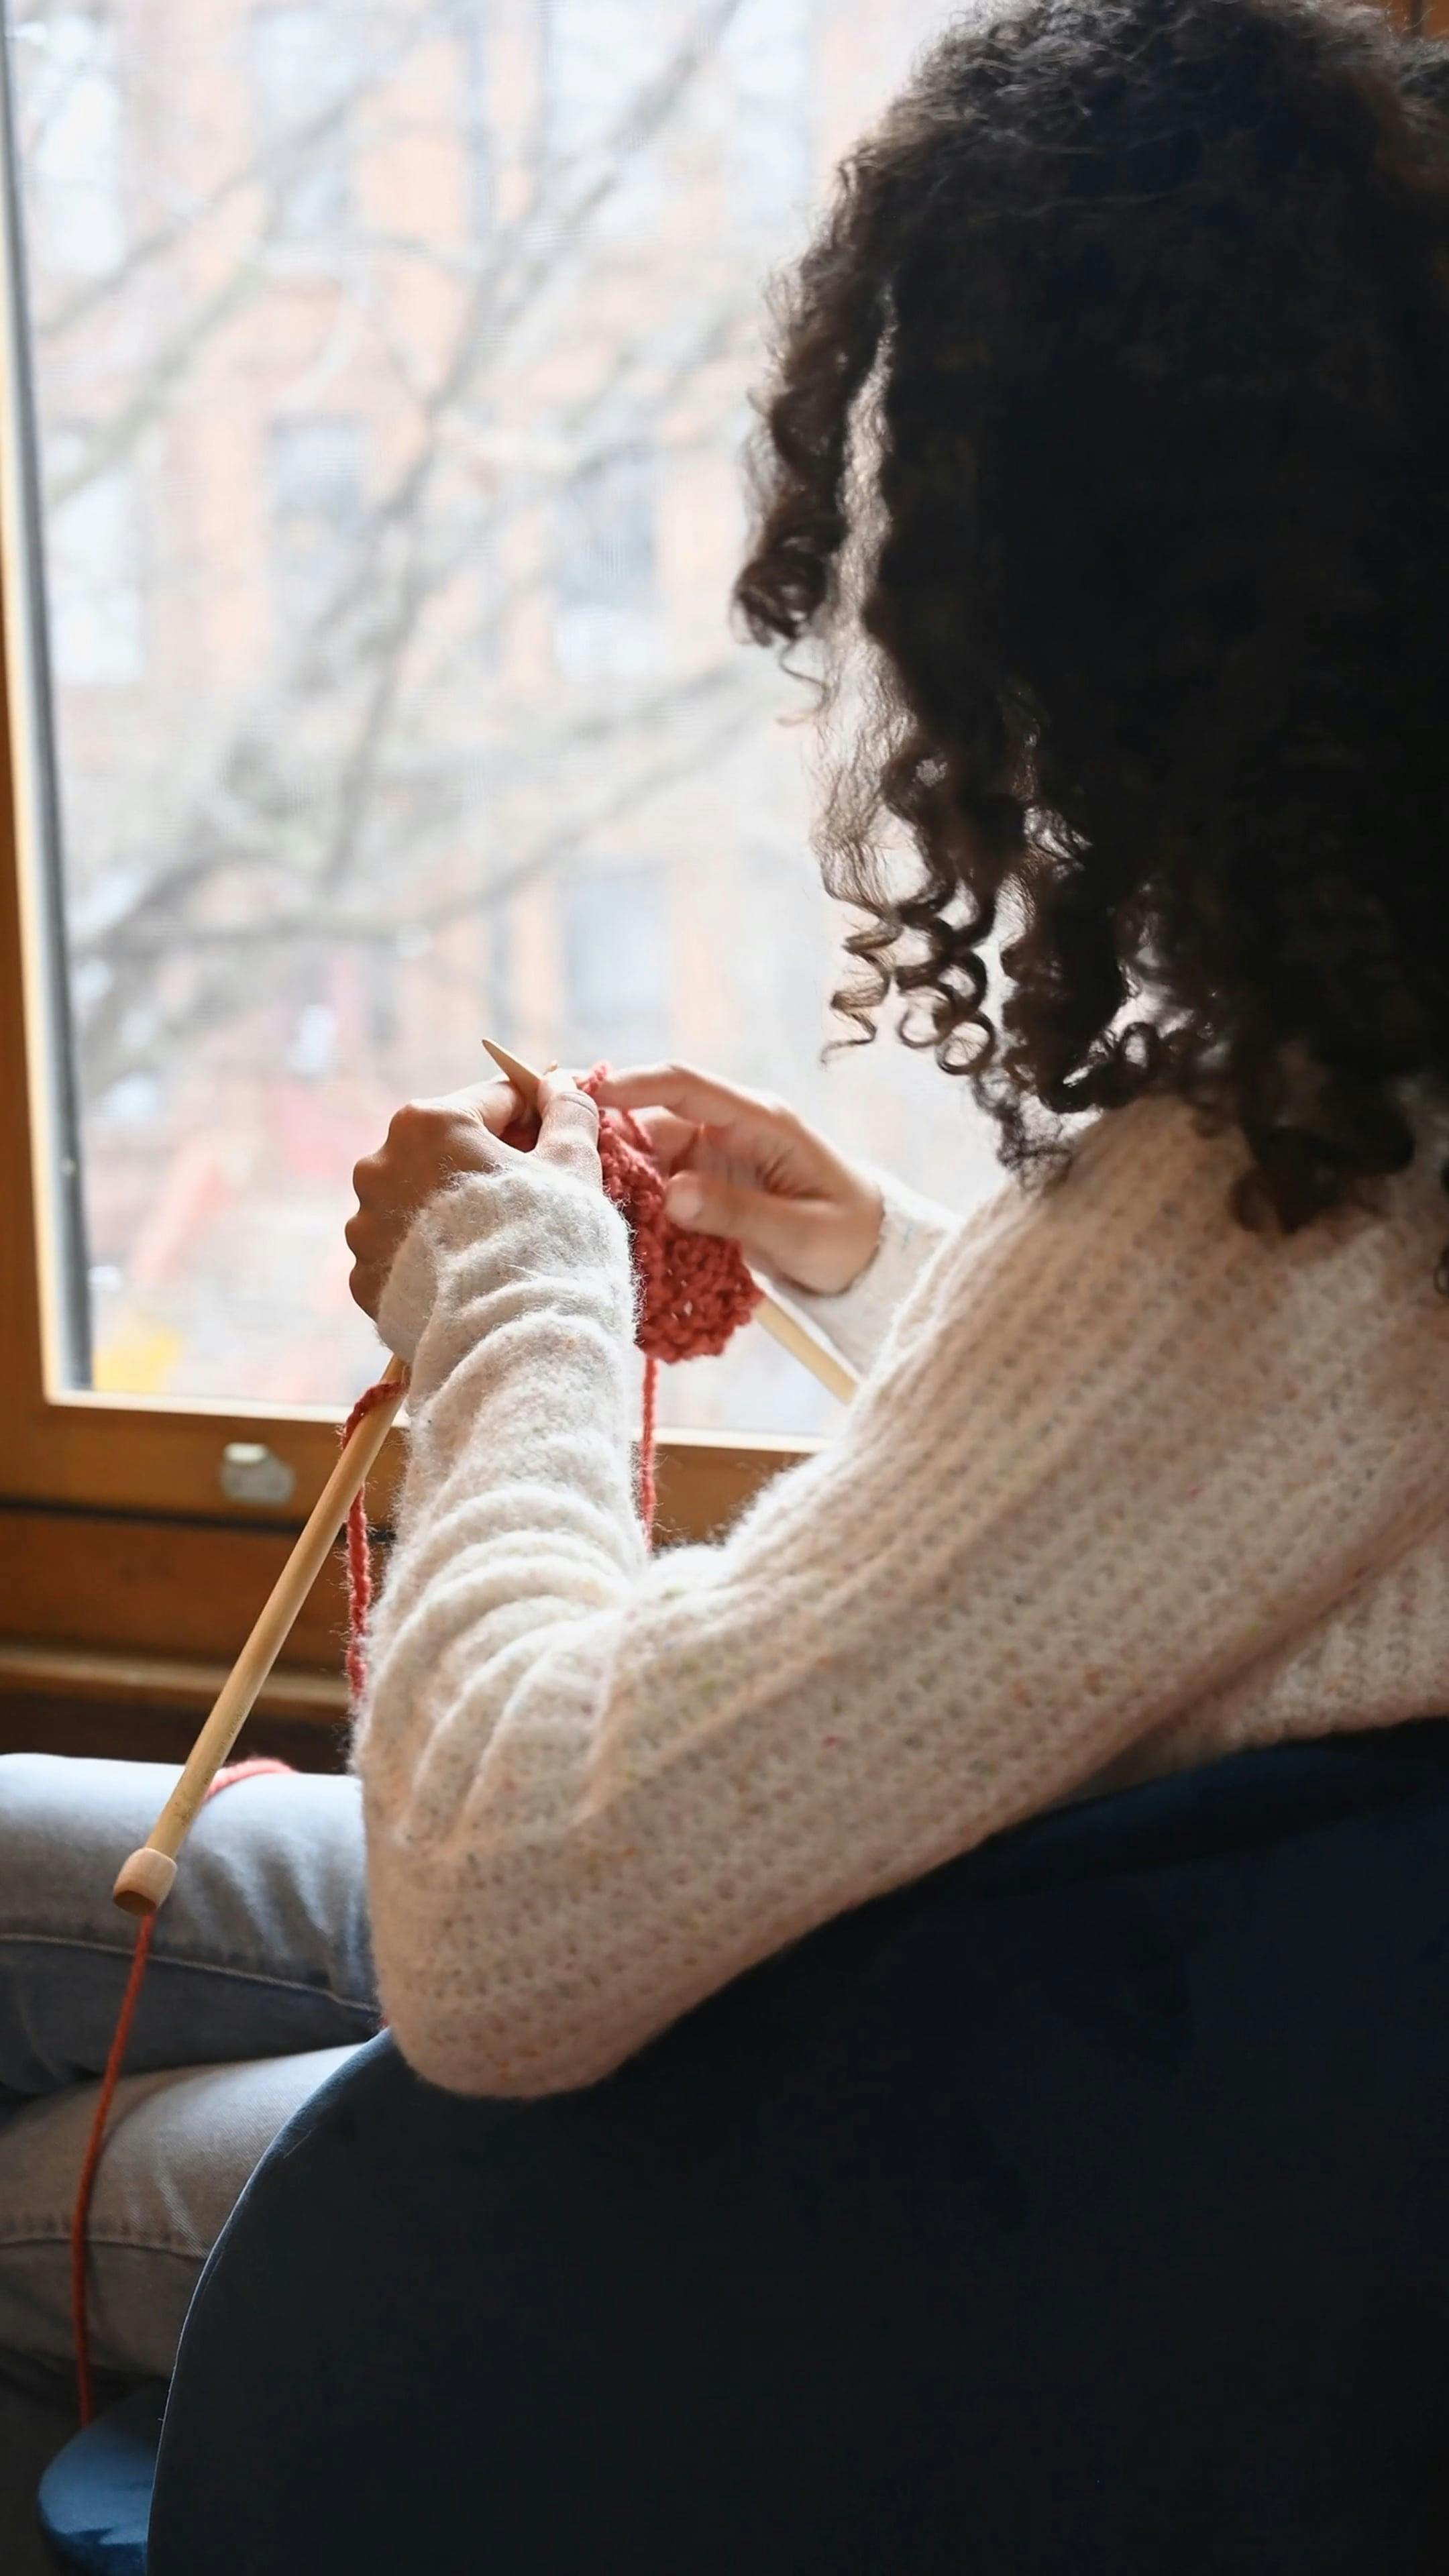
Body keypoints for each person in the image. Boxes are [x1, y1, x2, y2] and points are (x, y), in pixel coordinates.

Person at [5, 0, 1449, 2403]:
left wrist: (517, 1307)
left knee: (55, 2152)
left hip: (901, 2159)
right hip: (1015, 1993)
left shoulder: (1255, 1214)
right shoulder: (1363, 1139)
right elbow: (1194, 1514)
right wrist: (888, 1267)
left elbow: (503, 1916)